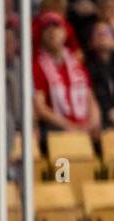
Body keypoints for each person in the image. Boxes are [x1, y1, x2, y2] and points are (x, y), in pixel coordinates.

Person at [33, 11, 100, 139]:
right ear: (41, 35)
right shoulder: (36, 65)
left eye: (56, 27)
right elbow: (40, 107)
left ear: (65, 32)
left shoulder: (77, 64)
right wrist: (70, 126)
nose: (52, 32)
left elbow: (90, 98)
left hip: (83, 128)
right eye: (47, 28)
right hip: (57, 131)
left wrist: (92, 123)